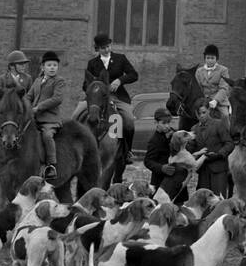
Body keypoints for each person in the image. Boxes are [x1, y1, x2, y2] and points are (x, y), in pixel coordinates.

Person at [84, 33, 138, 183]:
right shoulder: (92, 63)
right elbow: (85, 84)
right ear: (98, 49)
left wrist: (120, 81)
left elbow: (134, 74)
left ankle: (127, 152)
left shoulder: (120, 58)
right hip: (97, 99)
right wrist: (95, 87)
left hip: (118, 97)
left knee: (127, 121)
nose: (106, 50)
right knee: (76, 114)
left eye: (108, 46)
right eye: (103, 48)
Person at [31, 51, 81, 180]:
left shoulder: (59, 81)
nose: (52, 67)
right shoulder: (37, 81)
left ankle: (51, 165)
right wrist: (24, 105)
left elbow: (57, 99)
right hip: (34, 118)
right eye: (49, 65)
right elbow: (28, 96)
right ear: (43, 67)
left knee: (47, 136)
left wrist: (38, 108)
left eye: (54, 65)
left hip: (50, 120)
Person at [191, 98, 235, 196]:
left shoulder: (219, 124)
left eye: (203, 112)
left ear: (209, 110)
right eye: (199, 113)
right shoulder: (194, 129)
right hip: (203, 171)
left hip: (219, 169)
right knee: (204, 203)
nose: (201, 116)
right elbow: (191, 149)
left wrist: (219, 154)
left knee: (219, 201)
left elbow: (229, 143)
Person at [144, 108, 189, 203]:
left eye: (169, 123)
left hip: (177, 178)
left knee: (178, 205)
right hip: (161, 181)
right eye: (164, 123)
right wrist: (161, 168)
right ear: (156, 122)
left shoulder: (174, 134)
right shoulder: (154, 141)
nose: (167, 126)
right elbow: (148, 161)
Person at [195, 45, 234, 119]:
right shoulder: (199, 71)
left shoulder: (223, 70)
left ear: (217, 59)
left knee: (225, 116)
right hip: (204, 101)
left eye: (212, 58)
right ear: (205, 59)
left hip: (219, 102)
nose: (210, 60)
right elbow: (198, 88)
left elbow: (224, 88)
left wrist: (216, 100)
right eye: (208, 58)